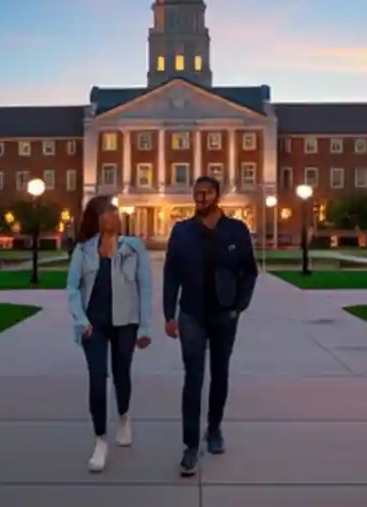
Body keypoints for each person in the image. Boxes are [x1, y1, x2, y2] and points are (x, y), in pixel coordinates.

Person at [163, 175, 258, 477]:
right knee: (193, 379)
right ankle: (190, 446)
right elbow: (171, 274)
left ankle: (214, 428)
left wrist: (239, 307)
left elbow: (249, 271)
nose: (201, 198)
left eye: (206, 193)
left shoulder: (236, 230)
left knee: (220, 375)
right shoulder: (181, 231)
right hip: (191, 314)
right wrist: (169, 314)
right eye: (197, 193)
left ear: (217, 195)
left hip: (224, 314)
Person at [67, 195, 153, 473]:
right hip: (94, 324)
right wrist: (81, 320)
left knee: (121, 372)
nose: (113, 216)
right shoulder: (83, 250)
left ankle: (124, 417)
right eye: (107, 212)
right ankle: (100, 440)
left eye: (115, 212)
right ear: (97, 217)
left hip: (126, 322)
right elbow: (72, 289)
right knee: (96, 377)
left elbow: (146, 288)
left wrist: (146, 326)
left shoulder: (133, 247)